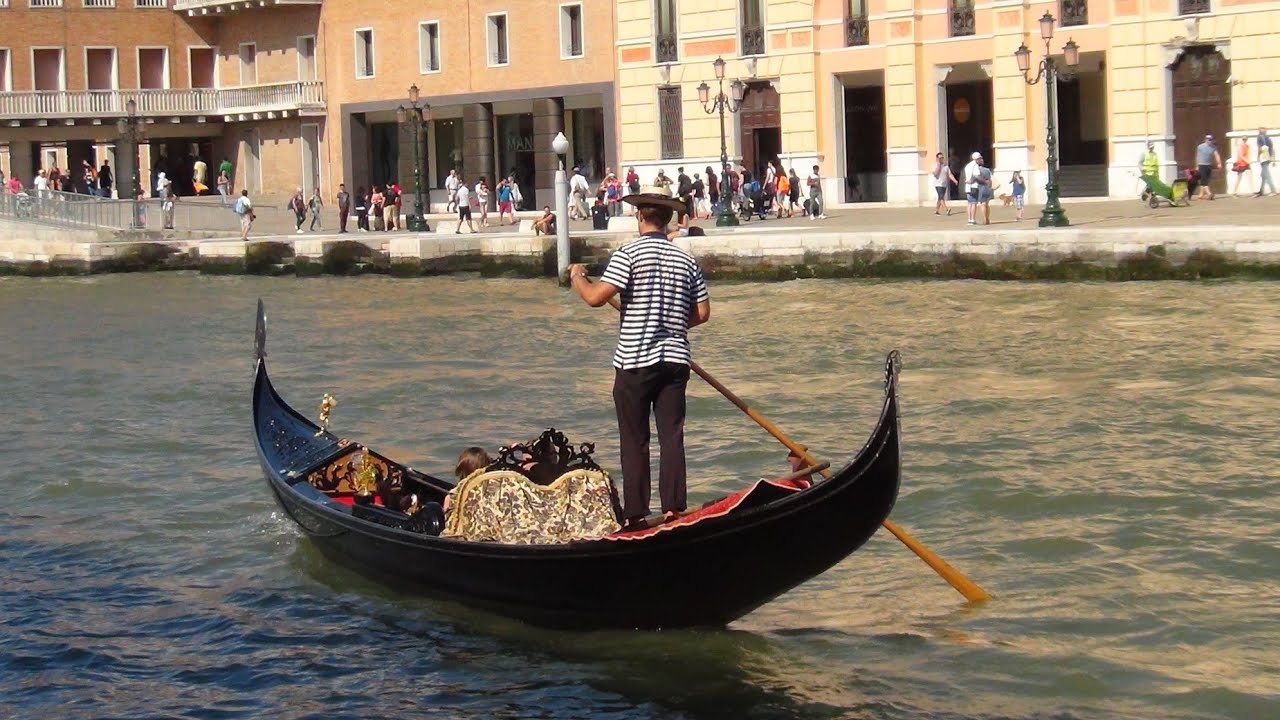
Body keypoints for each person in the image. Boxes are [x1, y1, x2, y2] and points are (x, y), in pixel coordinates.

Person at [566, 186, 711, 530]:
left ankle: (635, 514)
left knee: (635, 439)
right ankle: (675, 507)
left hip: (635, 360)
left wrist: (577, 278)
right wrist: (671, 321)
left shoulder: (628, 254)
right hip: (675, 360)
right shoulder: (686, 260)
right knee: (672, 435)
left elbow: (595, 298)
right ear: (666, 219)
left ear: (640, 215)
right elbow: (702, 313)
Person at [1195, 134, 1221, 201]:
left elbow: (1216, 155)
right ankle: (1209, 194)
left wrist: (1219, 163)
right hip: (1201, 165)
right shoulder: (1200, 147)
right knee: (1204, 180)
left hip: (1208, 165)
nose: (1210, 141)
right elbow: (1198, 156)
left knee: (1204, 180)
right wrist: (1197, 166)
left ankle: (1201, 195)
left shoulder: (1213, 147)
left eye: (1211, 140)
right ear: (1205, 140)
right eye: (1208, 140)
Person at [963, 152, 983, 225]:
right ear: (977, 159)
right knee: (974, 203)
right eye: (980, 158)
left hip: (968, 187)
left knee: (969, 203)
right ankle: (972, 219)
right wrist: (984, 181)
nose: (981, 159)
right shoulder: (975, 166)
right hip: (974, 186)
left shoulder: (968, 166)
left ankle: (969, 219)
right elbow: (977, 176)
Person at [1257, 128, 1276, 198]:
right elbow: (1272, 148)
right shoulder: (1268, 138)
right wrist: (1273, 159)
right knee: (1263, 175)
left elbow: (1259, 148)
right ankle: (1261, 190)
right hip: (1268, 156)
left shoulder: (1259, 138)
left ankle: (1273, 190)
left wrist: (1258, 156)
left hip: (1263, 156)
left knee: (1267, 174)